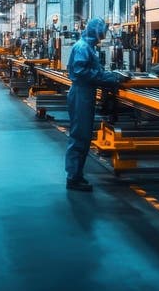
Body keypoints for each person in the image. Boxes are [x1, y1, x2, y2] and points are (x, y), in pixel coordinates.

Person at [65, 17, 128, 192]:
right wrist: (109, 78)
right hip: (81, 94)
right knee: (79, 135)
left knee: (83, 136)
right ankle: (73, 178)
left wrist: (108, 75)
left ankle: (77, 175)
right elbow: (81, 71)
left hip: (86, 93)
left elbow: (92, 71)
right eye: (102, 31)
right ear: (95, 31)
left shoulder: (88, 47)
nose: (103, 34)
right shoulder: (82, 47)